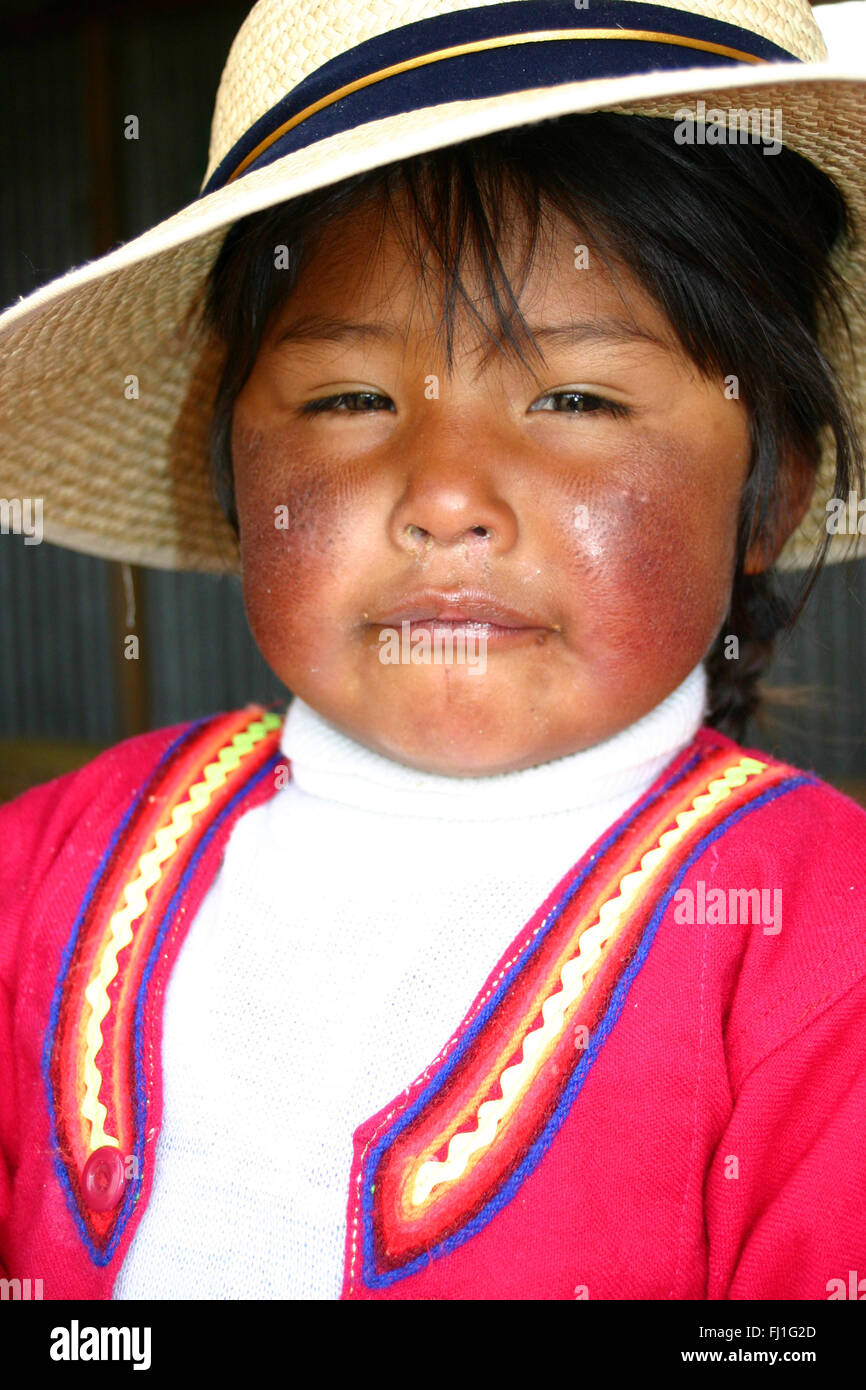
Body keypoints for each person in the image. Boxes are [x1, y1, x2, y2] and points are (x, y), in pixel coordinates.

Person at [1, 0, 866, 1301]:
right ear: (227, 465)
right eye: (348, 398)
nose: (445, 492)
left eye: (575, 398)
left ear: (772, 488)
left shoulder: (818, 957)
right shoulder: (41, 875)